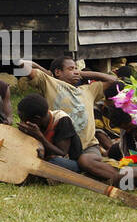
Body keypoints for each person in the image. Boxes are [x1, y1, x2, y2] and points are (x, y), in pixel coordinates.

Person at [18, 57, 129, 186]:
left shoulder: (88, 89)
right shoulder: (48, 82)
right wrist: (48, 73)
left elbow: (113, 81)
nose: (76, 71)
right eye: (71, 69)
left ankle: (125, 179)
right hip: (60, 146)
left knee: (85, 161)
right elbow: (21, 64)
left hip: (88, 147)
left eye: (76, 68)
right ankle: (84, 171)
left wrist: (82, 73)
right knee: (47, 160)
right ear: (58, 72)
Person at [16, 93, 82, 172]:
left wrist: (40, 137)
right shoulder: (35, 123)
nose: (22, 122)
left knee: (52, 162)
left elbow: (62, 153)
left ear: (36, 119)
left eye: (23, 119)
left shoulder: (62, 120)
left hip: (67, 161)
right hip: (45, 157)